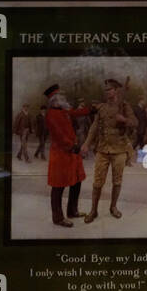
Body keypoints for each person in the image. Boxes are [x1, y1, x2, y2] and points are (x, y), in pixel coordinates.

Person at [81, 78, 138, 221]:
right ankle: (93, 211)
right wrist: (86, 144)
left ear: (116, 90)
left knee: (117, 181)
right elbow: (94, 128)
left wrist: (124, 120)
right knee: (97, 182)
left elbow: (135, 123)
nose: (106, 92)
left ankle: (113, 207)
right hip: (103, 150)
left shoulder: (125, 106)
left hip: (119, 150)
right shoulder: (102, 108)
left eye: (109, 89)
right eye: (105, 90)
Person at [43, 85, 91, 226]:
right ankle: (58, 218)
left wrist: (91, 109)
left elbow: (76, 112)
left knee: (76, 181)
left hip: (71, 154)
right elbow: (59, 136)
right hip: (61, 155)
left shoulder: (63, 110)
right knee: (58, 187)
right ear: (54, 100)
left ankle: (72, 211)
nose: (64, 98)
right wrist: (74, 147)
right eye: (61, 97)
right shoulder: (51, 114)